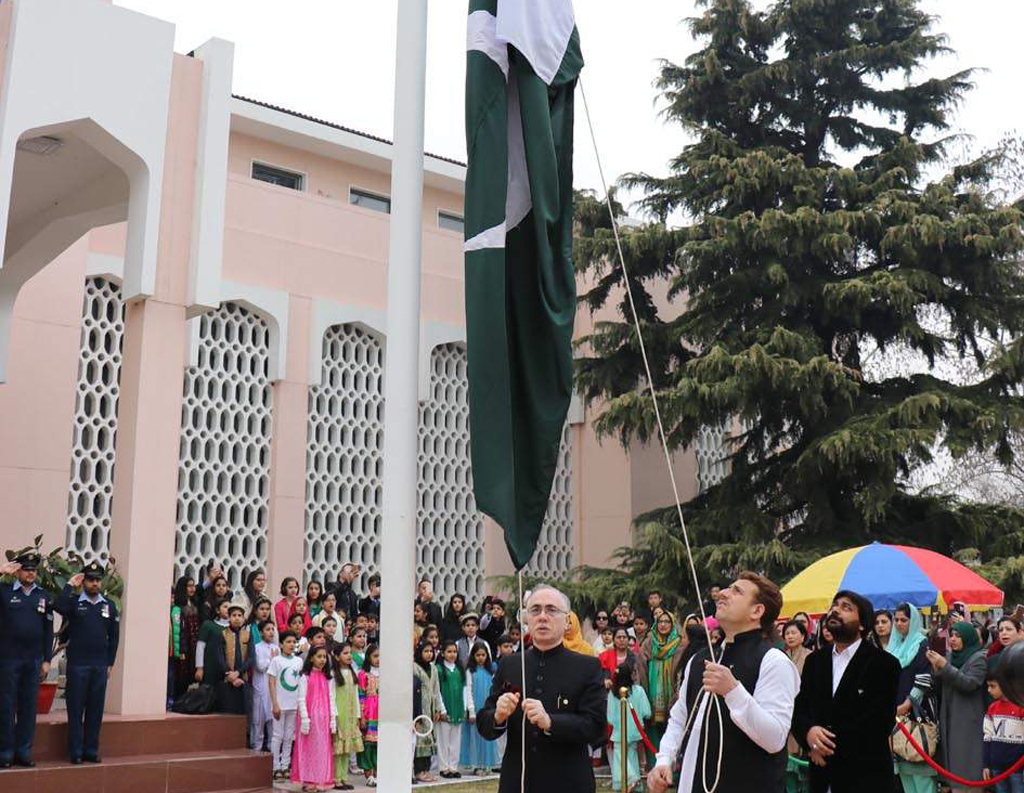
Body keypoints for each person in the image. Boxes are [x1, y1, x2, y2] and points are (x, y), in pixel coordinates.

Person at [650, 572, 799, 793]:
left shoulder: (774, 661)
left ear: (757, 611)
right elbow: (680, 717)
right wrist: (664, 759)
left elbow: (775, 738)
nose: (722, 593)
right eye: (727, 588)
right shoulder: (699, 659)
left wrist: (733, 691)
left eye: (736, 591)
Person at [477, 584, 606, 793]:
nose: (543, 617)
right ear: (527, 619)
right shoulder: (509, 664)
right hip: (517, 783)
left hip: (568, 782)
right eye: (535, 610)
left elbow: (596, 728)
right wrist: (498, 716)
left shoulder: (587, 666)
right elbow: (484, 723)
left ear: (567, 621)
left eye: (551, 610)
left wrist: (550, 722)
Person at [791, 590, 900, 793]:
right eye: (834, 605)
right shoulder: (815, 661)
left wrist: (824, 748)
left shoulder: (884, 664)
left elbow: (880, 722)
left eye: (846, 607)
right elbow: (800, 708)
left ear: (861, 624)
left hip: (865, 777)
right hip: (821, 776)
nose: (835, 610)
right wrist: (808, 736)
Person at [54, 561, 119, 764]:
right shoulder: (74, 602)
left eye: (97, 580)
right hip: (78, 665)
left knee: (95, 709)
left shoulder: (108, 606)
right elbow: (58, 606)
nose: (94, 584)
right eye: (90, 580)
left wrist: (110, 663)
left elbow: (114, 637)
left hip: (100, 666)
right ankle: (76, 751)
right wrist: (69, 584)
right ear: (84, 582)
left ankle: (91, 749)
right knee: (75, 709)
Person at [929, 621, 987, 793]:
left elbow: (969, 683)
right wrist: (936, 669)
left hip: (968, 722)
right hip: (950, 718)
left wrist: (944, 667)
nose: (953, 639)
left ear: (968, 638)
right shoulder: (950, 657)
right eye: (951, 635)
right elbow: (941, 686)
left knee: (968, 771)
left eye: (958, 636)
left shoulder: (979, 658)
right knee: (954, 774)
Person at [887, 603, 936, 793]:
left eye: (904, 620)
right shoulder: (894, 644)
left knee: (919, 768)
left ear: (913, 621)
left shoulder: (921, 643)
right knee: (904, 770)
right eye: (896, 620)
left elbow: (924, 678)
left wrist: (907, 703)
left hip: (916, 711)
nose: (899, 624)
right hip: (895, 712)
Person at [291, 645, 337, 792]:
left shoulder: (328, 677)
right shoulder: (305, 676)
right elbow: (301, 699)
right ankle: (309, 779)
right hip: (309, 719)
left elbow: (332, 698)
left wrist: (333, 719)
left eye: (324, 657)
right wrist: (305, 718)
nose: (322, 659)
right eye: (319, 656)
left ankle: (320, 779)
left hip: (323, 720)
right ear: (311, 658)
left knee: (322, 748)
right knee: (308, 748)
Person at [643, 611, 684, 771]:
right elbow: (640, 666)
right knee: (653, 729)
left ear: (672, 624)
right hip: (652, 691)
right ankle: (654, 768)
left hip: (671, 691)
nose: (663, 624)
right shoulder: (649, 642)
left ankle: (672, 770)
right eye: (660, 621)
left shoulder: (679, 643)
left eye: (667, 621)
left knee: (672, 727)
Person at [607, 662, 650, 792]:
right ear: (631, 675)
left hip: (620, 731)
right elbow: (647, 712)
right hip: (635, 731)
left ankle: (632, 780)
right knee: (630, 755)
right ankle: (633, 781)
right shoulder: (639, 691)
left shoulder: (612, 693)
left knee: (621, 756)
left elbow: (610, 718)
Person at [268, 630, 303, 780]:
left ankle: (285, 765)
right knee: (277, 736)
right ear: (281, 644)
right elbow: (272, 682)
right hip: (280, 705)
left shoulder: (299, 661)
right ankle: (275, 766)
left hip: (294, 705)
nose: (291, 645)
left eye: (294, 642)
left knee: (289, 736)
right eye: (288, 642)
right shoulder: (276, 661)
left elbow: (301, 683)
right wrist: (275, 703)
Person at [984, 672, 1024, 793]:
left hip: (1017, 768)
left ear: (1006, 685)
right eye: (988, 686)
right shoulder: (992, 708)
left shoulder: (1021, 707)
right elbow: (987, 737)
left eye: (993, 686)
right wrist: (985, 765)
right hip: (997, 767)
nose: (988, 690)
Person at [331, 642, 363, 792]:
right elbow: (332, 696)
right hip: (339, 716)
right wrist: (334, 715)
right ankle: (336, 779)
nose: (349, 655)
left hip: (350, 715)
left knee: (346, 749)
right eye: (345, 653)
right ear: (336, 657)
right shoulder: (332, 674)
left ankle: (344, 778)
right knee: (338, 749)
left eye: (350, 652)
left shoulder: (351, 673)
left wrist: (358, 715)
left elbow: (356, 696)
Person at [436, 639, 470, 778]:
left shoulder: (460, 669)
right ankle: (444, 768)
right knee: (443, 741)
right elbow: (436, 691)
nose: (452, 654)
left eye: (454, 651)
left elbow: (465, 689)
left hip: (458, 708)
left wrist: (465, 707)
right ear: (443, 653)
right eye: (449, 651)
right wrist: (441, 709)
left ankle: (453, 767)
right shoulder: (438, 669)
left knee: (455, 741)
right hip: (445, 709)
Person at [412, 639, 443, 782]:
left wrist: (437, 709)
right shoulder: (414, 667)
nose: (429, 654)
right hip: (419, 710)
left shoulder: (434, 668)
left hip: (430, 709)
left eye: (431, 651)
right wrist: (415, 714)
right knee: (419, 740)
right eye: (426, 651)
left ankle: (426, 770)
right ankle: (418, 771)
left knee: (429, 739)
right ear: (419, 652)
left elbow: (436, 690)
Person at [170, 575, 202, 702]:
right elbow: (180, 630)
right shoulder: (178, 606)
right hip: (184, 645)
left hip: (194, 643)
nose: (192, 588)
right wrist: (182, 649)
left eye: (193, 585)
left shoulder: (195, 603)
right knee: (181, 673)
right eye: (189, 586)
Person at [251, 619, 277, 752]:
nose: (271, 632)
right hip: (261, 688)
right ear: (261, 632)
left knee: (273, 722)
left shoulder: (276, 648)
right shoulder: (257, 648)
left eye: (273, 629)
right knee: (258, 721)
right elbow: (260, 666)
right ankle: (256, 748)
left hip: (273, 690)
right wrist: (272, 660)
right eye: (268, 629)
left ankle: (272, 751)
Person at [357, 644, 380, 787]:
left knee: (380, 745)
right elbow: (360, 696)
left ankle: (378, 773)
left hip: (382, 714)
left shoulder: (387, 673)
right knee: (368, 745)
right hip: (369, 712)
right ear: (368, 657)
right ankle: (369, 774)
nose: (379, 659)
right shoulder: (363, 674)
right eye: (376, 656)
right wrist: (362, 716)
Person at [195, 597, 229, 692]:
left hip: (226, 670)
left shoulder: (233, 628)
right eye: (225, 606)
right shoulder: (208, 625)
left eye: (230, 607)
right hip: (209, 669)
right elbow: (200, 647)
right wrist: (199, 668)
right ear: (217, 610)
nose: (228, 609)